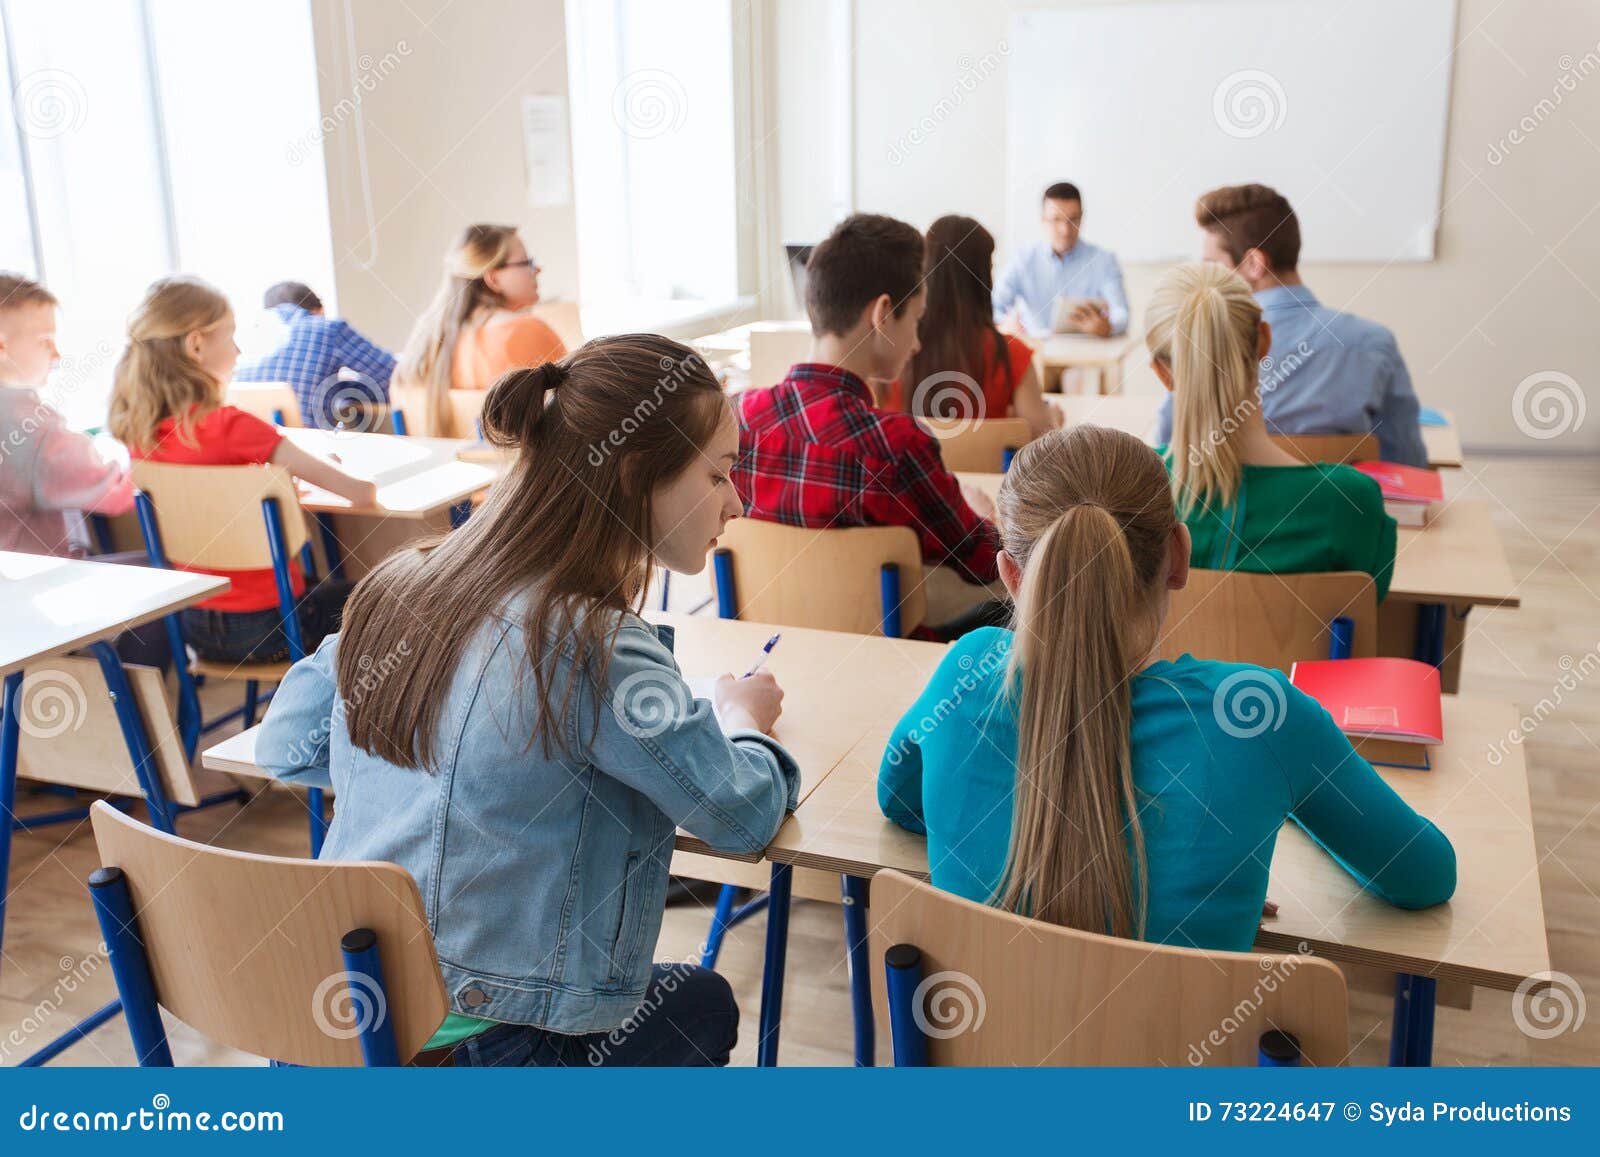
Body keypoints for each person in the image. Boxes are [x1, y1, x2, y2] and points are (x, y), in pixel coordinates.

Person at [257, 335, 799, 1066]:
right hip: (489, 1057)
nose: (739, 500)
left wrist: (439, 778)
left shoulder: (393, 590)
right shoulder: (597, 644)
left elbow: (285, 748)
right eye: (720, 473)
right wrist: (740, 719)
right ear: (638, 476)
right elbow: (740, 818)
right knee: (703, 1002)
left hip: (333, 1034)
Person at [878, 424, 1455, 951]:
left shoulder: (967, 669)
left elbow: (898, 799)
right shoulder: (1265, 721)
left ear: (1010, 576)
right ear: (1178, 556)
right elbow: (1424, 875)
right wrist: (1247, 830)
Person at [731, 213, 1006, 636]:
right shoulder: (896, 445)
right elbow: (982, 562)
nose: (916, 342)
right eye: (915, 319)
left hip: (765, 654)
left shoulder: (737, 420)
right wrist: (986, 515)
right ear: (882, 313)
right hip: (895, 662)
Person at [108, 276, 378, 663]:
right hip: (276, 628)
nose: (237, 351)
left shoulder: (138, 433)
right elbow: (360, 493)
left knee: (326, 590)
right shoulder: (233, 426)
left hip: (195, 629)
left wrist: (269, 491)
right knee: (389, 594)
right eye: (230, 336)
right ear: (196, 344)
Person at [1149, 262, 1396, 599]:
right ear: (1264, 341)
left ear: (1162, 374)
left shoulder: (1130, 492)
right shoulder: (1351, 502)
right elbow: (1365, 621)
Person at [1154, 183, 1428, 467]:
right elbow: (1407, 462)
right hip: (1339, 507)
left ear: (1253, 264)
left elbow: (1168, 444)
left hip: (1231, 507)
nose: (1208, 277)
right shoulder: (1375, 342)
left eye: (1214, 265)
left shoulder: (1207, 338)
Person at [879, 215, 1062, 438]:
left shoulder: (893, 349)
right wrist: (1052, 419)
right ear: (983, 276)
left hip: (909, 472)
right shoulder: (1011, 354)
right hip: (990, 474)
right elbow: (1042, 442)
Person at [0, 272, 132, 556]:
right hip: (39, 586)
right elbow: (117, 495)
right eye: (45, 340)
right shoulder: (35, 430)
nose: (57, 354)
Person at [394, 224, 566, 436]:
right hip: (524, 468)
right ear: (493, 279)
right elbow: (579, 407)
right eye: (527, 262)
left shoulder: (425, 346)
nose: (537, 269)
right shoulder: (524, 330)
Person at [233, 281, 396, 430]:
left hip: (261, 456)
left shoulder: (248, 336)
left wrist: (339, 388)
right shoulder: (328, 329)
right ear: (318, 311)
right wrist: (350, 388)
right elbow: (394, 379)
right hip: (315, 451)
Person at [992, 181, 1130, 337]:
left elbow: (1121, 313)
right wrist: (1005, 323)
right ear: (1043, 219)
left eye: (1073, 219)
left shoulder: (1104, 261)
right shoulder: (1022, 260)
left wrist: (1109, 327)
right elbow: (994, 306)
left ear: (1082, 217)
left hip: (1087, 355)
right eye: (1056, 219)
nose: (1065, 230)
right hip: (1037, 356)